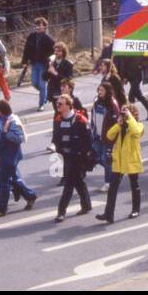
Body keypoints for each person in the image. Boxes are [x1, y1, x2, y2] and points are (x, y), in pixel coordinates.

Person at [98, 103, 144, 223]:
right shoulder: (120, 126)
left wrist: (130, 118)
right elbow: (109, 135)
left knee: (134, 185)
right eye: (123, 113)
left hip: (131, 160)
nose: (124, 115)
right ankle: (108, 214)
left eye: (126, 113)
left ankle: (136, 209)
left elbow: (137, 132)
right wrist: (118, 124)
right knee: (112, 188)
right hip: (118, 161)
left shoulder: (138, 125)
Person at [0, 100, 37, 217]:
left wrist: (7, 132)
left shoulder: (12, 121)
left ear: (1, 110)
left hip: (10, 156)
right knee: (13, 179)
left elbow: (18, 138)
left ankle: (2, 209)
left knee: (4, 182)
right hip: (2, 155)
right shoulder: (0, 119)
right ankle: (30, 195)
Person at [51, 93, 93, 222]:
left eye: (60, 104)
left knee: (69, 183)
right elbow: (56, 138)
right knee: (78, 181)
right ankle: (86, 205)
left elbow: (89, 139)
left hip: (77, 156)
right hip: (64, 156)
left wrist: (82, 154)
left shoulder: (80, 120)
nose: (57, 105)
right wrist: (59, 151)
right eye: (57, 103)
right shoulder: (58, 120)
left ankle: (61, 212)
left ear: (68, 106)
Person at [90, 84, 121, 193]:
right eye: (99, 89)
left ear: (107, 91)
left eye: (102, 90)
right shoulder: (97, 101)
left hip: (108, 137)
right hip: (97, 136)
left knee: (106, 159)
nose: (99, 92)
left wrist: (114, 137)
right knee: (97, 157)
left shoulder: (112, 103)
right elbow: (93, 117)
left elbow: (117, 121)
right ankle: (115, 171)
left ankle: (109, 183)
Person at [21, 17, 56, 111]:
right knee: (34, 82)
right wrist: (24, 61)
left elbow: (54, 51)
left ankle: (41, 104)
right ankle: (45, 93)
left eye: (40, 26)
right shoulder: (31, 36)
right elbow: (26, 50)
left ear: (45, 27)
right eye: (36, 26)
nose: (38, 28)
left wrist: (51, 61)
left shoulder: (48, 39)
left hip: (44, 64)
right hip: (34, 63)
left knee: (42, 84)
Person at [44, 42, 75, 109]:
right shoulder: (52, 63)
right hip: (53, 91)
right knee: (57, 112)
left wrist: (55, 73)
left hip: (62, 91)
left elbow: (68, 79)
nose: (56, 53)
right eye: (55, 51)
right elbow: (44, 78)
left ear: (63, 52)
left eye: (59, 51)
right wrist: (48, 71)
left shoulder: (68, 64)